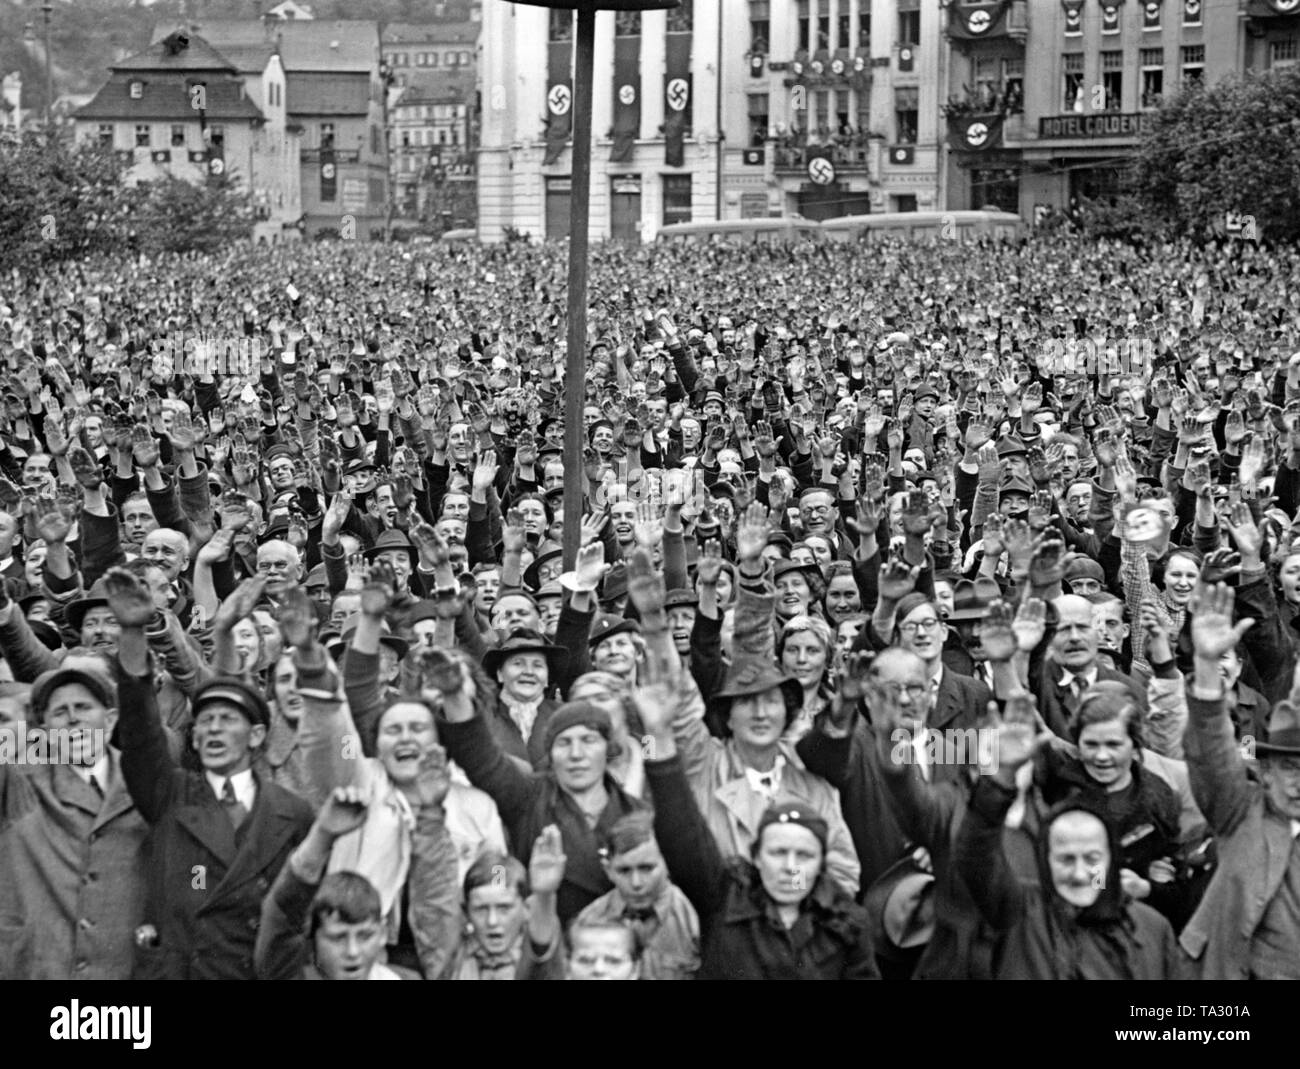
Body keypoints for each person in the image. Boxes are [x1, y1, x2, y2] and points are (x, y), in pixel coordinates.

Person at [105, 568, 314, 980]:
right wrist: (132, 632)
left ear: (257, 735)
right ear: (194, 739)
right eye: (206, 721)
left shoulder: (292, 812)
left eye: (228, 720)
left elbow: (300, 920)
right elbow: (140, 732)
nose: (214, 728)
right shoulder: (172, 792)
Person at [635, 674, 879, 979]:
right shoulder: (723, 904)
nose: (790, 867)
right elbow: (682, 835)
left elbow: (844, 870)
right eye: (777, 853)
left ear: (820, 862)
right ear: (757, 857)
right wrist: (657, 734)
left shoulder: (847, 926)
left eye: (803, 856)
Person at [954, 692, 1186, 979]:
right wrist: (1001, 779)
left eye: (1091, 858)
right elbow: (975, 856)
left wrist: (1138, 888)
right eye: (1065, 859)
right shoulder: (1021, 912)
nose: (1078, 873)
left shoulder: (1152, 930)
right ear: (1045, 859)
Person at [1180, 581, 1300, 979]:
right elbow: (1211, 751)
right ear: (1266, 773)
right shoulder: (1241, 811)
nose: (1299, 784)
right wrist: (1207, 669)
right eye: (1290, 768)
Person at [0, 664, 149, 979]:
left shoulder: (148, 783)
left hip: (125, 979)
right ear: (42, 730)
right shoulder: (21, 782)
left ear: (110, 719)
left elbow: (195, 864)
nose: (72, 719)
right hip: (41, 969)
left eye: (83, 707)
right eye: (59, 713)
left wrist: (195, 889)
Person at [574, 811, 700, 980]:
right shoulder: (589, 920)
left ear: (670, 863)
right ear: (608, 870)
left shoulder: (695, 920)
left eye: (647, 868)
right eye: (624, 870)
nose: (636, 883)